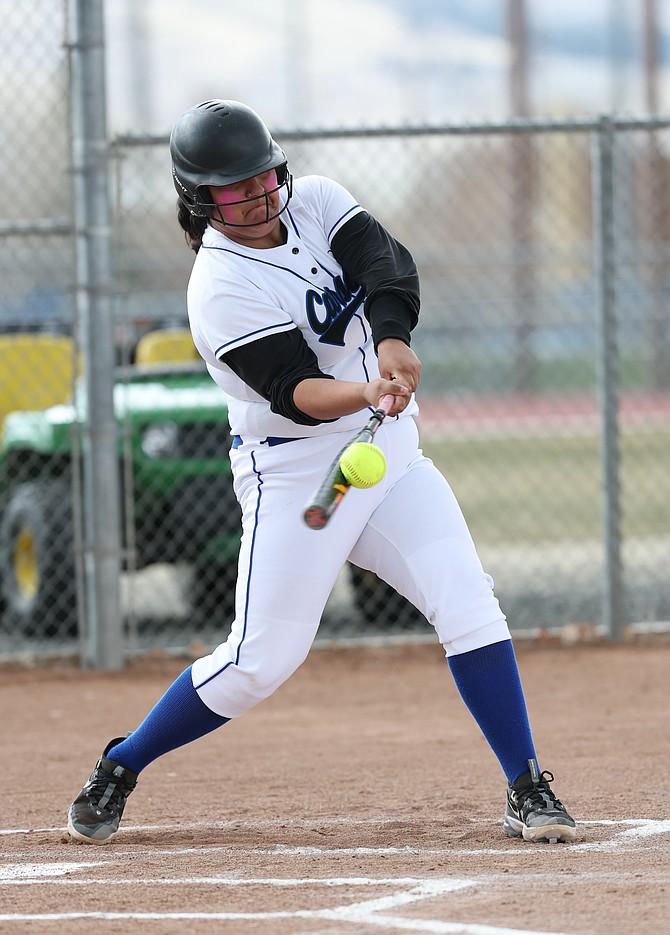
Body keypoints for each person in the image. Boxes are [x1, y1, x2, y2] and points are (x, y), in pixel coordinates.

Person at [67, 99, 576, 846]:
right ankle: (124, 761)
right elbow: (296, 392)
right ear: (199, 200)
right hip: (300, 471)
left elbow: (384, 264)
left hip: (388, 455)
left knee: (468, 601)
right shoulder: (218, 286)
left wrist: (393, 341)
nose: (257, 195)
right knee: (260, 659)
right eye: (232, 189)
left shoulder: (317, 200)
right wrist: (369, 388)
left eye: (263, 176)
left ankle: (526, 782)